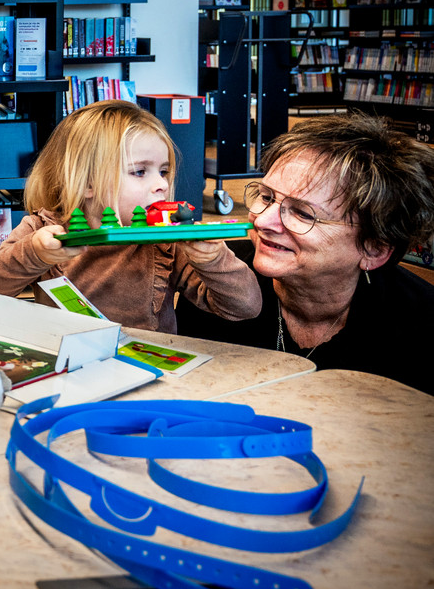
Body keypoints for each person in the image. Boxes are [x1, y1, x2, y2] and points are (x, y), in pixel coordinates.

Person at [178, 114, 434, 394]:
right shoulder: (217, 277)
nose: (262, 221)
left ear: (374, 248)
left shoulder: (420, 326)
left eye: (302, 213)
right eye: (266, 197)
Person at [0, 100, 261, 333]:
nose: (161, 184)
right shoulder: (42, 230)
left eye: (164, 171)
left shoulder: (167, 242)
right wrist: (35, 254)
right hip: (68, 365)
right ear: (88, 183)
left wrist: (214, 260)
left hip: (150, 371)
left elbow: (245, 308)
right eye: (140, 171)